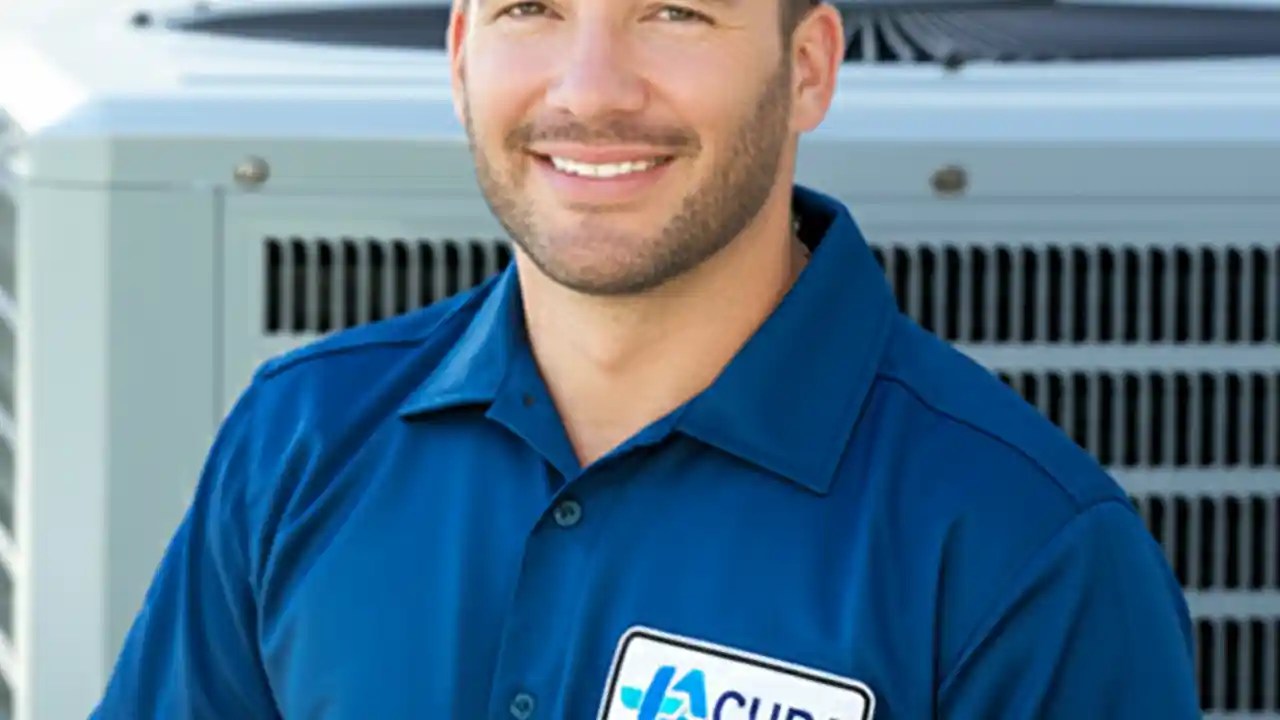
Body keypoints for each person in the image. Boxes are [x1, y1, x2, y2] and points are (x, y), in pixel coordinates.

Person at [91, 0, 1201, 716]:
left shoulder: (1023, 550)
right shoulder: (300, 439)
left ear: (807, 67)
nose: (589, 91)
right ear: (461, 53)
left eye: (671, 13)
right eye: (531, 9)